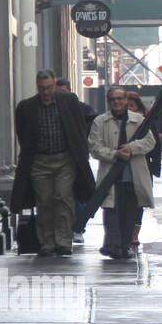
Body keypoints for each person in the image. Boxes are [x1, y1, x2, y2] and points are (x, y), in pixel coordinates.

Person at [11, 70, 96, 257]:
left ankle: (64, 241)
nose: (46, 92)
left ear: (54, 84)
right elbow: (23, 134)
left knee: (64, 197)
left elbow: (78, 127)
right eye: (42, 88)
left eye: (49, 87)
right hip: (39, 161)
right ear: (37, 87)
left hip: (64, 158)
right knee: (45, 201)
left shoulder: (68, 101)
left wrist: (79, 151)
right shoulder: (26, 107)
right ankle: (47, 243)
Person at [88, 87, 156, 260]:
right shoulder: (100, 122)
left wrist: (131, 149)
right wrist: (114, 154)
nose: (116, 102)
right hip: (111, 178)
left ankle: (124, 246)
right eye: (113, 99)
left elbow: (150, 142)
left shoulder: (139, 120)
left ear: (125, 100)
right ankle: (112, 245)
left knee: (130, 213)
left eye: (119, 98)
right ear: (108, 102)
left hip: (133, 177)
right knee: (111, 212)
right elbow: (94, 147)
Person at [56, 78, 98, 245]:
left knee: (79, 194)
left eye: (64, 93)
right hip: (59, 156)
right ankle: (66, 229)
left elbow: (92, 126)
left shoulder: (82, 109)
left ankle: (78, 227)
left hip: (77, 157)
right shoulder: (52, 110)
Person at [124, 91, 161, 250]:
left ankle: (134, 235)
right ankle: (125, 232)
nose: (128, 109)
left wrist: (154, 169)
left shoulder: (145, 122)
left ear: (137, 106)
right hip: (122, 168)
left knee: (139, 201)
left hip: (142, 166)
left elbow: (155, 145)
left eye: (131, 106)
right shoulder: (116, 122)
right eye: (127, 106)